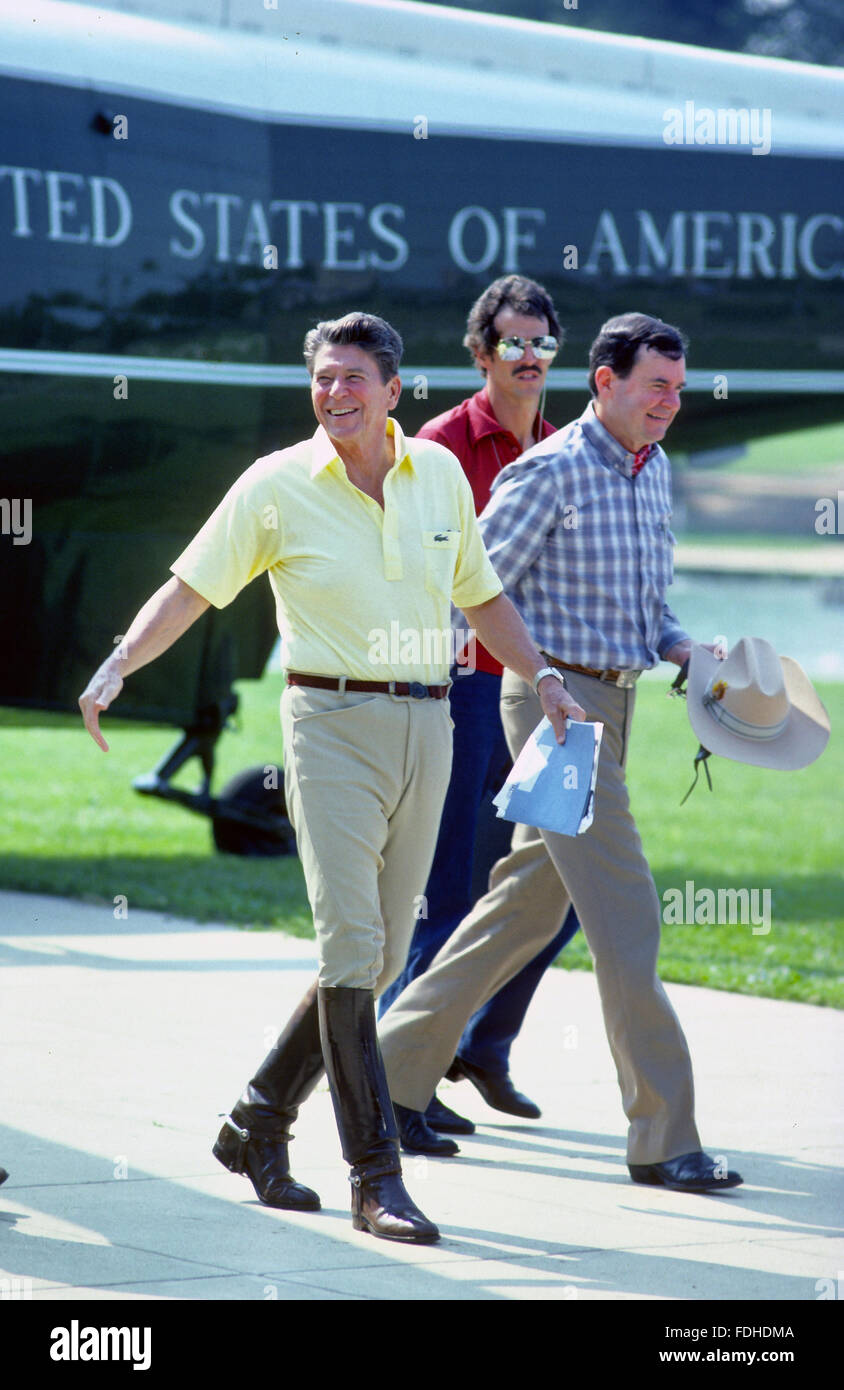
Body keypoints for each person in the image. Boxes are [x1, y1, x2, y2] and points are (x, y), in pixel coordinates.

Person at [78, 311, 585, 1243]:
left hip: (427, 721)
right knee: (352, 943)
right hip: (330, 722)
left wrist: (543, 676)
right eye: (322, 378)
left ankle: (256, 1122)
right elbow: (192, 583)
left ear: (393, 391)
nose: (335, 393)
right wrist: (120, 662)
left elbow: (479, 592)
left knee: (381, 955)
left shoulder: (434, 474)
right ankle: (375, 1176)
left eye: (354, 378)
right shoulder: (275, 485)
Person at [376, 312, 745, 1194]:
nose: (671, 404)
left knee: (524, 910)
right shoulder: (546, 471)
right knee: (629, 918)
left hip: (615, 704)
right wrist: (539, 680)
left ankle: (384, 1079)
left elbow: (648, 608)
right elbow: (473, 589)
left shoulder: (653, 477)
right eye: (657, 386)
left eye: (680, 390)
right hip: (554, 711)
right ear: (605, 380)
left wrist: (687, 648)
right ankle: (664, 1137)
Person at [378, 276, 580, 1154]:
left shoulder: (570, 445)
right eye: (512, 343)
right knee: (449, 895)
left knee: (561, 885)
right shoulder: (440, 445)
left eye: (542, 343)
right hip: (464, 694)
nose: (529, 357)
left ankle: (480, 1045)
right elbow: (412, 571)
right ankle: (395, 1085)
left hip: (549, 698)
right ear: (481, 352)